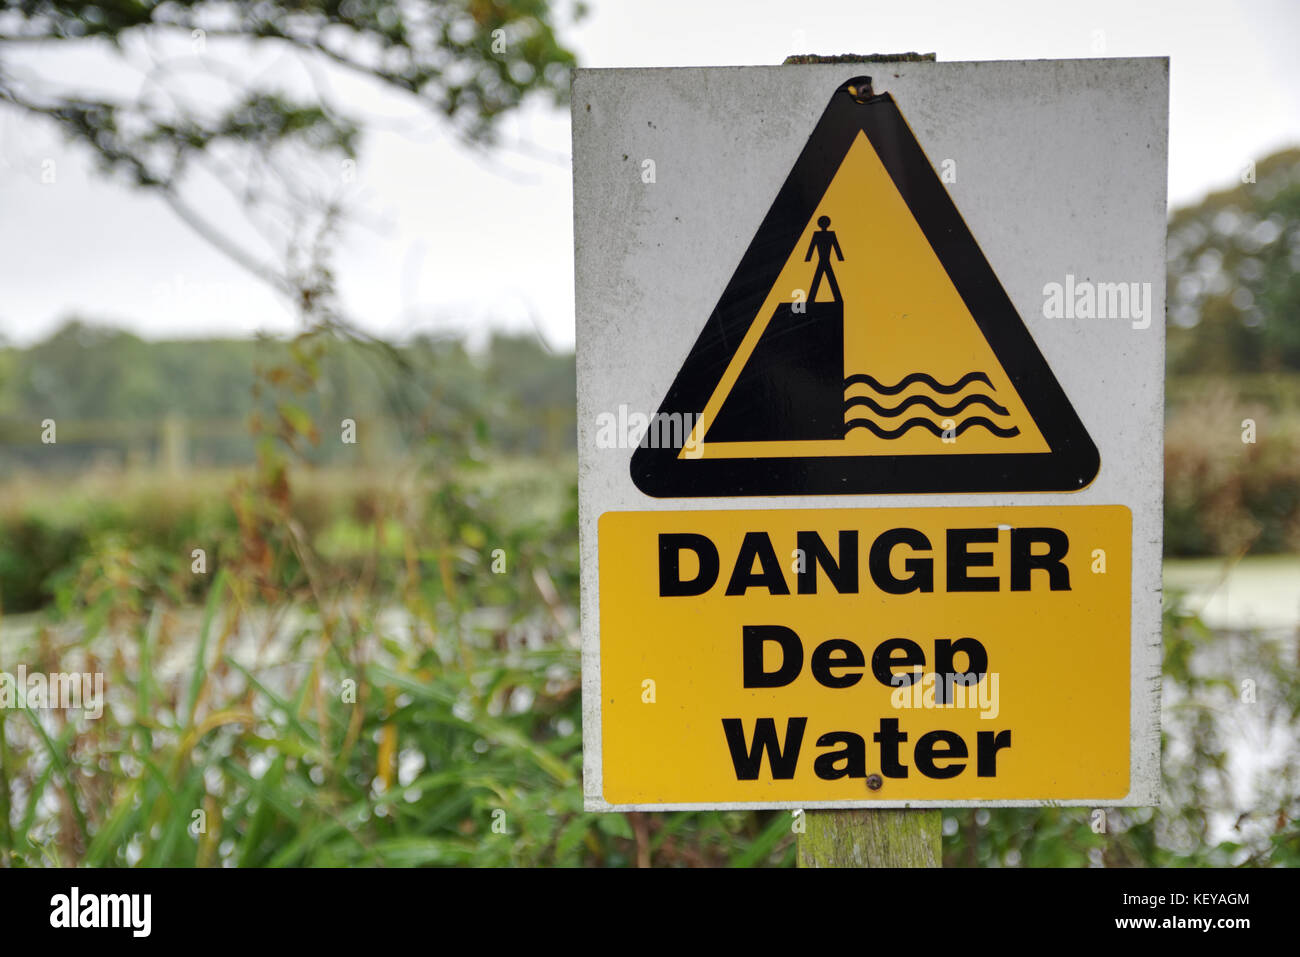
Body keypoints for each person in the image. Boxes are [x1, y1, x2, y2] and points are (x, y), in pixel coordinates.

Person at [805, 214, 844, 303]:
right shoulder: (817, 234)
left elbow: (836, 245)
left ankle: (811, 299)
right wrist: (808, 258)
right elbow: (812, 246)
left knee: (822, 278)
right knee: (823, 278)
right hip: (822, 260)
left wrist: (840, 257)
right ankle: (811, 299)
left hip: (825, 260)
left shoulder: (830, 234)